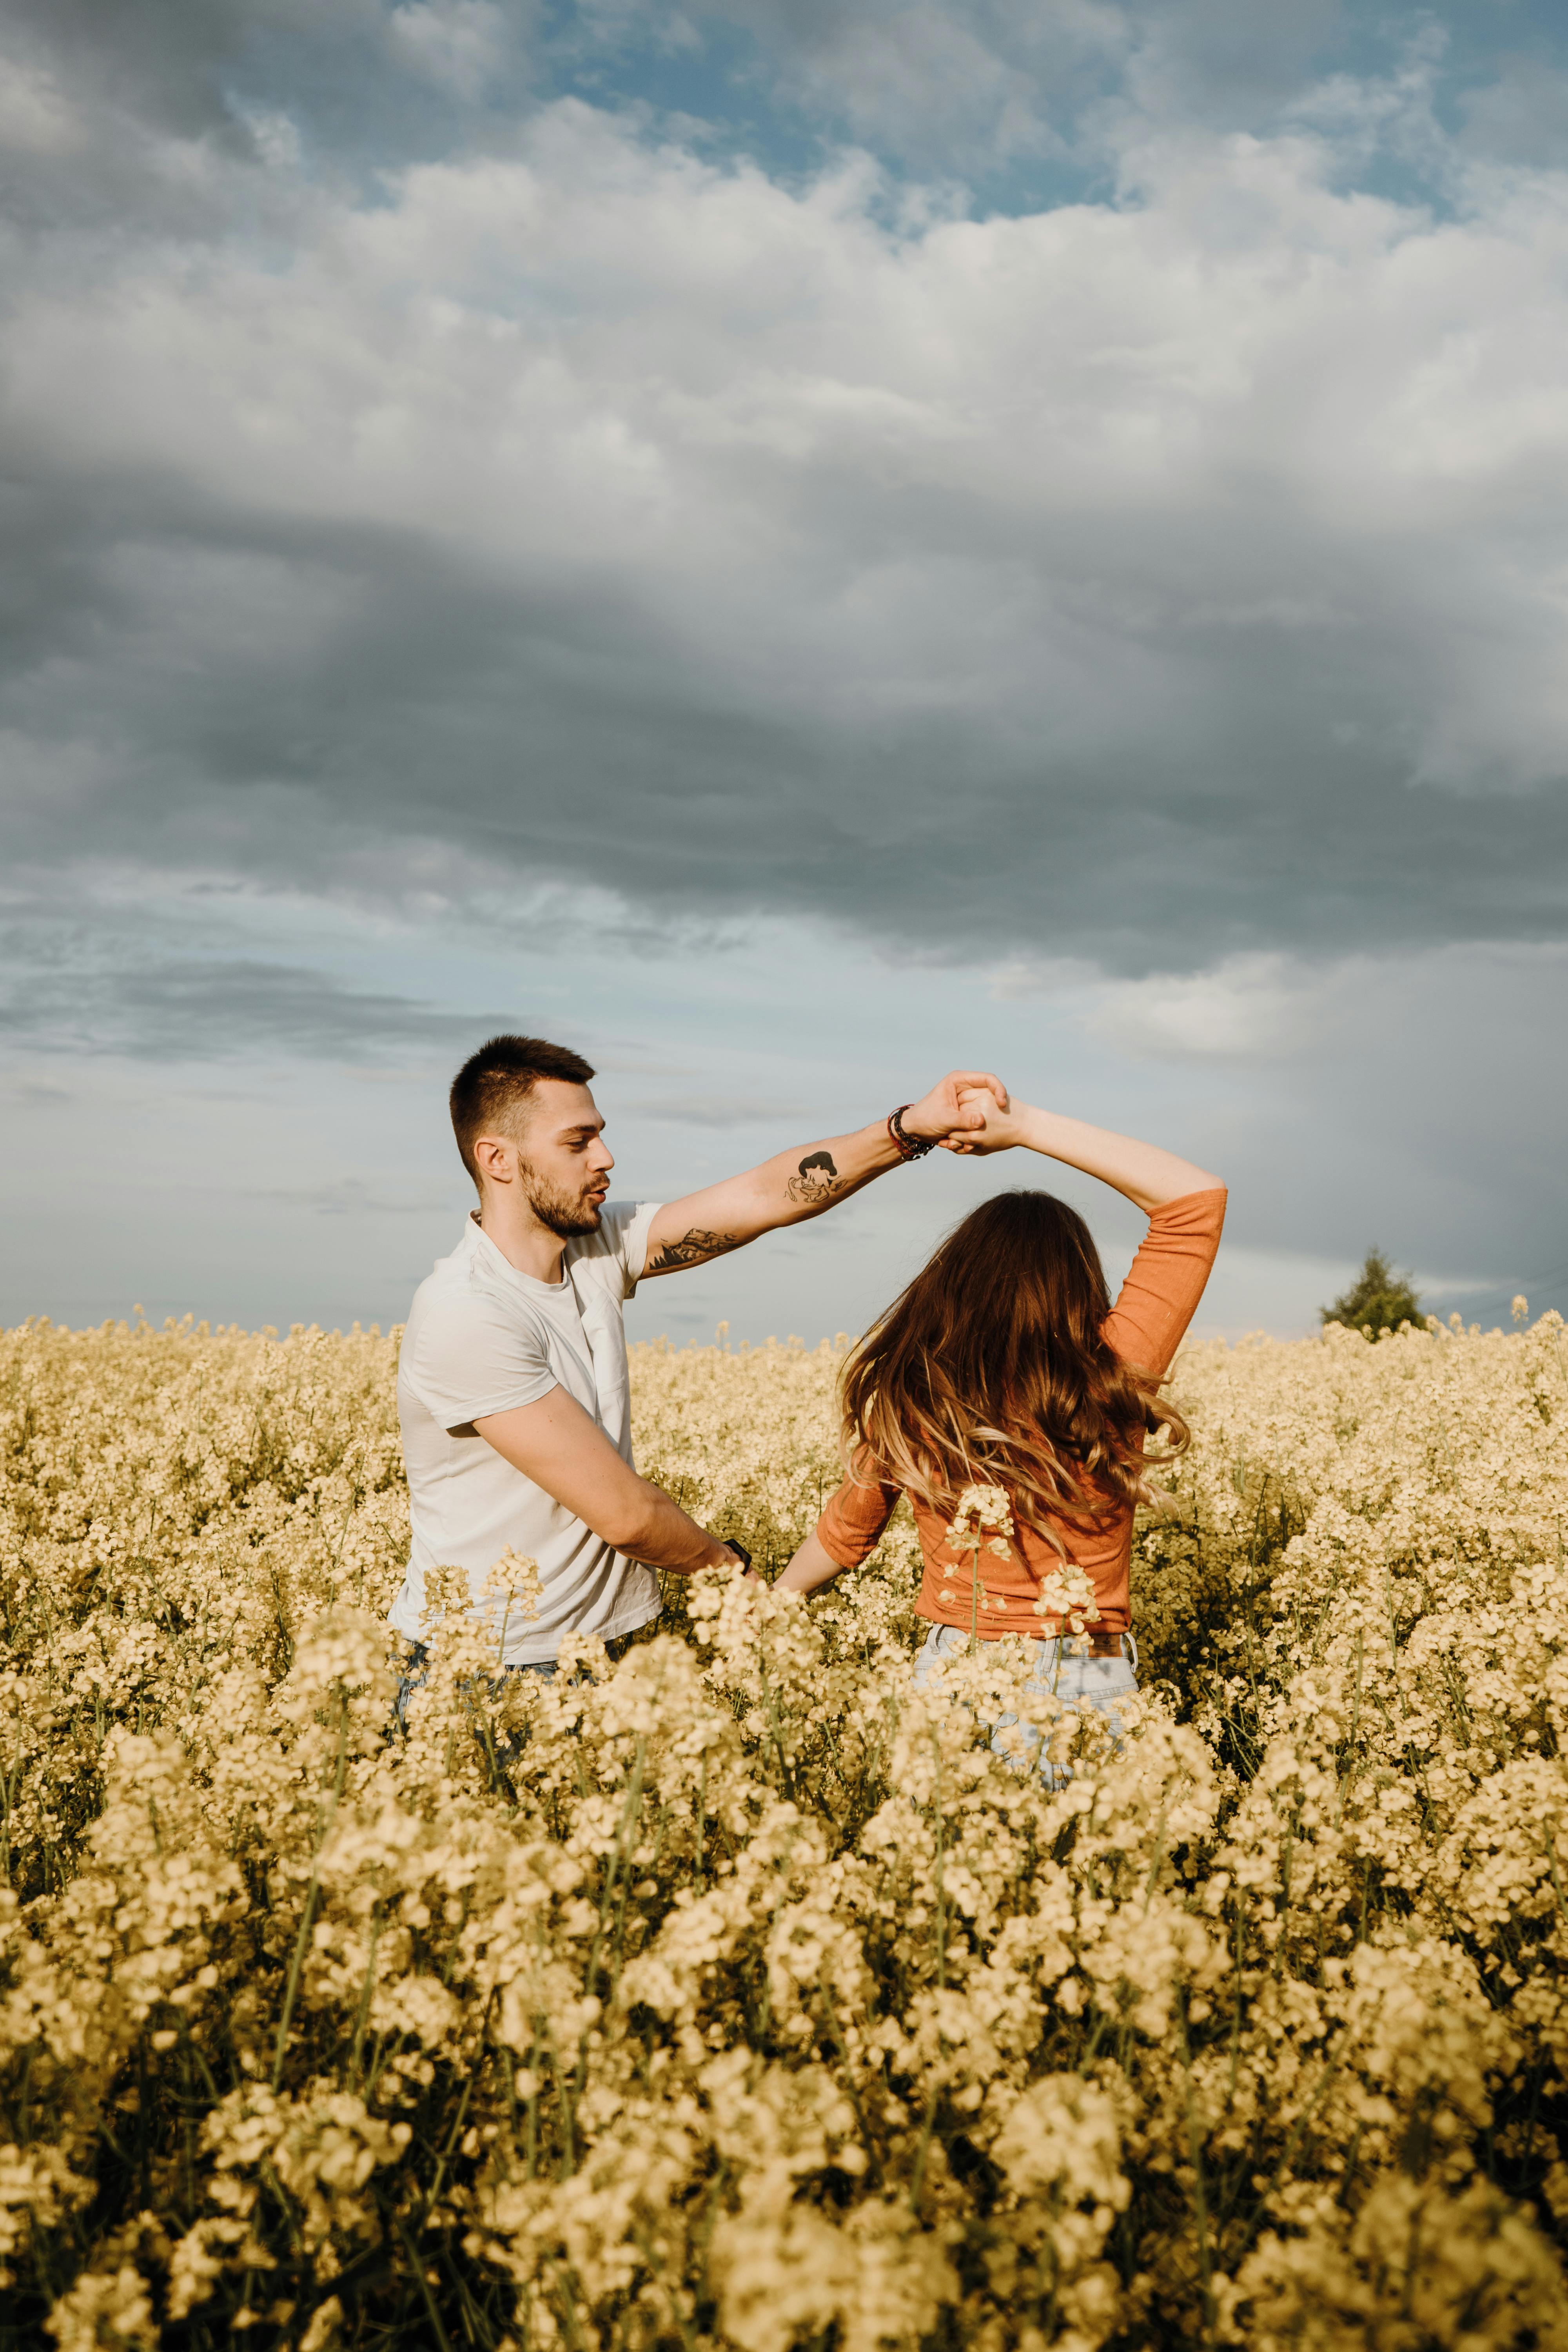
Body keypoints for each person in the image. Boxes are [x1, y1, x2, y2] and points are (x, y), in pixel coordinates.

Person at [389, 1034, 1007, 1685]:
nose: (606, 1157)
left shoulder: (595, 1248)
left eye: (600, 1135)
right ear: (498, 1160)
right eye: (578, 1142)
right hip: (491, 1667)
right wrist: (734, 1575)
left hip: (600, 1649)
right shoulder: (468, 1312)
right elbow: (625, 1516)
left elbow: (769, 1196)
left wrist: (912, 1128)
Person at [775, 1093, 1226, 1769]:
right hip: (1090, 1664)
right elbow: (1195, 1203)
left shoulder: (914, 1393)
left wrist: (768, 1605)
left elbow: (846, 1534)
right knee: (1080, 1874)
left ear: (953, 1282)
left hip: (954, 1668)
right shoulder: (1113, 1374)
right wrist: (1024, 1129)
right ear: (1079, 1284)